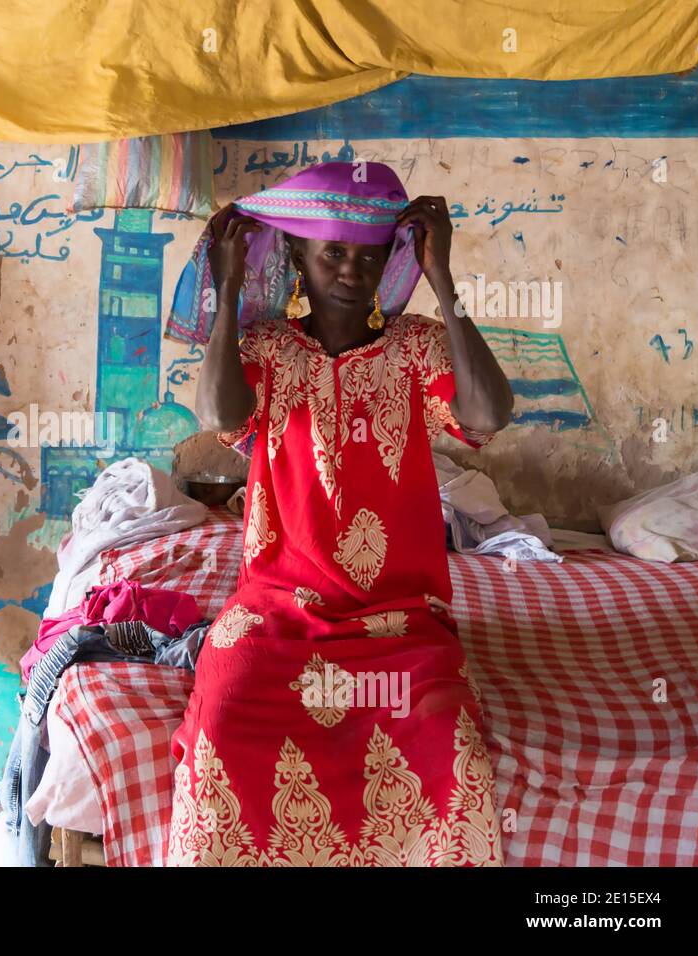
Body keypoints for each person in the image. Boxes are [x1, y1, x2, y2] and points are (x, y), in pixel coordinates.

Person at [166, 161, 512, 866]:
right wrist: (229, 289)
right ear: (297, 256)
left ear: (389, 258)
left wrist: (443, 281)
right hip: (275, 615)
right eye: (332, 253)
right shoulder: (265, 351)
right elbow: (218, 413)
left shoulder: (415, 350)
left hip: (400, 622)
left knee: (454, 753)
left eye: (367, 253)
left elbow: (490, 414)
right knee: (223, 732)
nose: (351, 269)